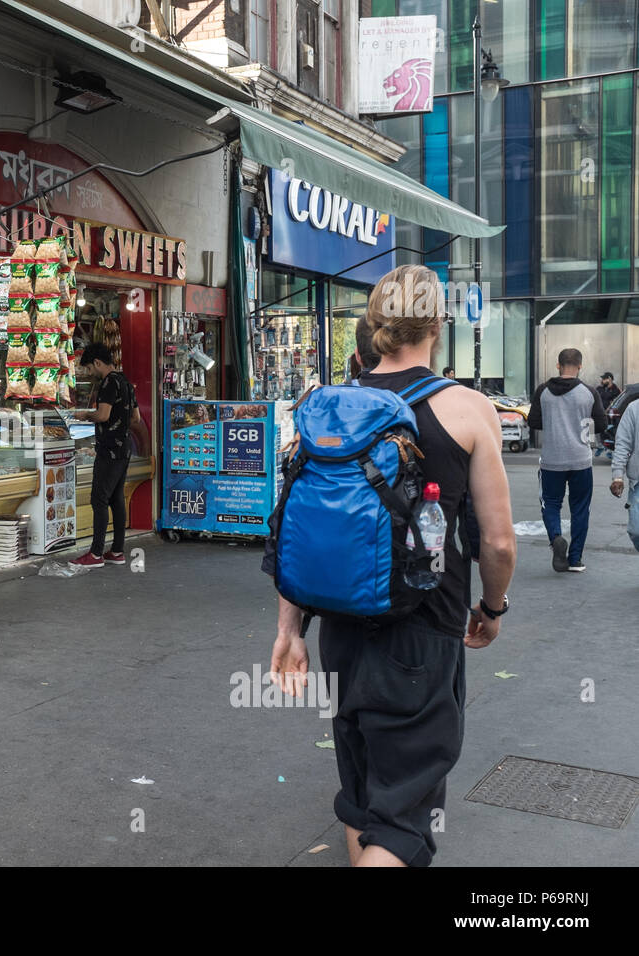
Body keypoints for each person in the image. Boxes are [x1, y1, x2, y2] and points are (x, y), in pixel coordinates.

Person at [269, 265, 516, 867]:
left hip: (342, 626)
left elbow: (304, 525)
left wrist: (288, 631)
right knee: (402, 815)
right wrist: (491, 607)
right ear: (438, 323)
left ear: (374, 324)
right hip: (423, 627)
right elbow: (500, 543)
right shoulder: (466, 407)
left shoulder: (324, 407)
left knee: (362, 795)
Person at [527, 349, 608, 572]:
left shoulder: (543, 391)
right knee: (580, 508)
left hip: (552, 460)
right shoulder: (589, 392)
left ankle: (556, 538)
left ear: (558, 365)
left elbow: (533, 422)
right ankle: (575, 559)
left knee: (550, 504)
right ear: (580, 366)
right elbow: (600, 425)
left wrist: (555, 423)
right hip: (581, 460)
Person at [69, 343, 140, 568]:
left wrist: (83, 415)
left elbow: (102, 415)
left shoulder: (108, 383)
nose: (90, 373)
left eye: (90, 368)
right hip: (124, 447)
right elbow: (136, 418)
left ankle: (96, 554)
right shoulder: (125, 382)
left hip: (109, 449)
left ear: (98, 363)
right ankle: (117, 551)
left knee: (99, 499)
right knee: (116, 498)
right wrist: (118, 426)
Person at [609, 397, 639, 553]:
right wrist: (618, 476)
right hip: (638, 483)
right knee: (636, 530)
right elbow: (622, 443)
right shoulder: (634, 408)